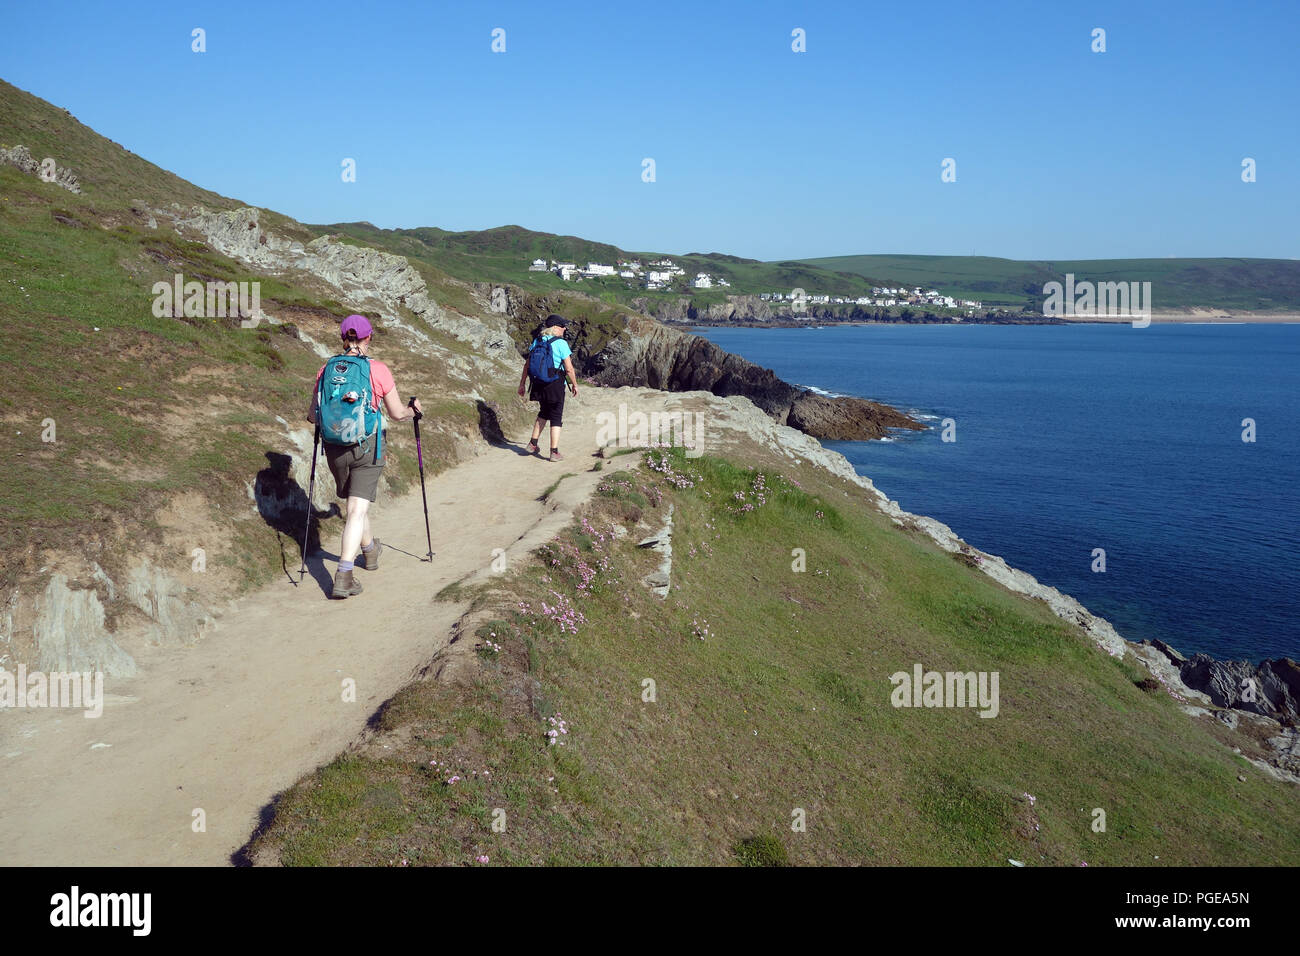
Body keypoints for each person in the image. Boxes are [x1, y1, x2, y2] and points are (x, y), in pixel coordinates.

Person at [308, 314, 422, 599]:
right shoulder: (377, 369)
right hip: (367, 447)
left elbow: (313, 415)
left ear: (343, 338)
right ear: (368, 337)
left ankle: (370, 551)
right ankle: (344, 575)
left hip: (335, 449)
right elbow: (397, 413)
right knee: (357, 510)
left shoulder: (325, 369)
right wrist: (414, 410)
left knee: (355, 503)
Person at [517, 314, 578, 461]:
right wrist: (575, 384)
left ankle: (532, 444)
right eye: (563, 326)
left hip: (538, 383)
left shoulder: (537, 341)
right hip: (555, 384)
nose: (565, 329)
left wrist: (522, 383)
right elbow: (569, 368)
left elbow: (527, 365)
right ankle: (554, 452)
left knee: (544, 412)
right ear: (555, 327)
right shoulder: (561, 343)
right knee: (556, 416)